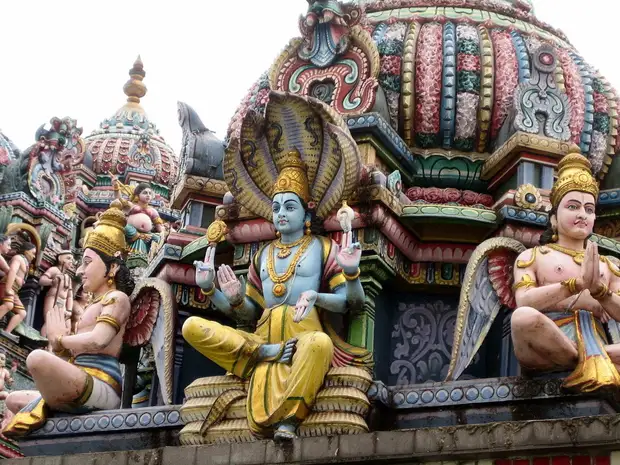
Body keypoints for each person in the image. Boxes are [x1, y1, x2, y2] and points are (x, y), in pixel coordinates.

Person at [182, 150, 367, 440]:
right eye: (276, 206)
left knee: (319, 343)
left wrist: (341, 280)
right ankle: (264, 355)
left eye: (289, 207)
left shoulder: (324, 247)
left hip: (302, 339)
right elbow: (249, 313)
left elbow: (352, 302)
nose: (281, 213)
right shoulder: (263, 255)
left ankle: (289, 421)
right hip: (262, 341)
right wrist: (215, 292)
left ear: (307, 211)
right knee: (191, 326)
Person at [2, 207, 134, 437]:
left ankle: (53, 405)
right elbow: (72, 355)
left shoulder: (117, 298)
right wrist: (60, 347)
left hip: (101, 384)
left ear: (112, 267)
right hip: (80, 377)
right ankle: (53, 406)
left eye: (87, 263)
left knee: (36, 358)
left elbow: (99, 340)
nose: (80, 270)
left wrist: (60, 339)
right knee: (13, 399)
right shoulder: (93, 305)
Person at [511, 151, 620, 392]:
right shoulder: (533, 257)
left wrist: (601, 293)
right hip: (550, 341)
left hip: (597, 336)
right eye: (573, 206)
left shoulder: (607, 265)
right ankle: (592, 360)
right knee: (523, 319)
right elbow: (524, 301)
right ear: (553, 219)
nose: (583, 214)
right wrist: (576, 285)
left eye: (589, 209)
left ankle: (590, 357)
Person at [0, 242, 36, 334]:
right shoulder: (18, 258)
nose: (34, 256)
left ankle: (7, 332)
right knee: (8, 305)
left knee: (22, 313)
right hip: (7, 285)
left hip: (14, 290)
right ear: (26, 251)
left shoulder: (25, 262)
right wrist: (8, 288)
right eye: (33, 253)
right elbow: (12, 271)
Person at [38, 250, 74, 338]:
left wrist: (69, 310)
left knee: (65, 327)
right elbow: (42, 280)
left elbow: (70, 296)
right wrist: (51, 281)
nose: (71, 261)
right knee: (49, 321)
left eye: (72, 260)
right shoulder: (54, 270)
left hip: (63, 304)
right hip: (53, 299)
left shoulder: (68, 278)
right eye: (68, 258)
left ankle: (52, 347)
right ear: (60, 258)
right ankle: (43, 343)